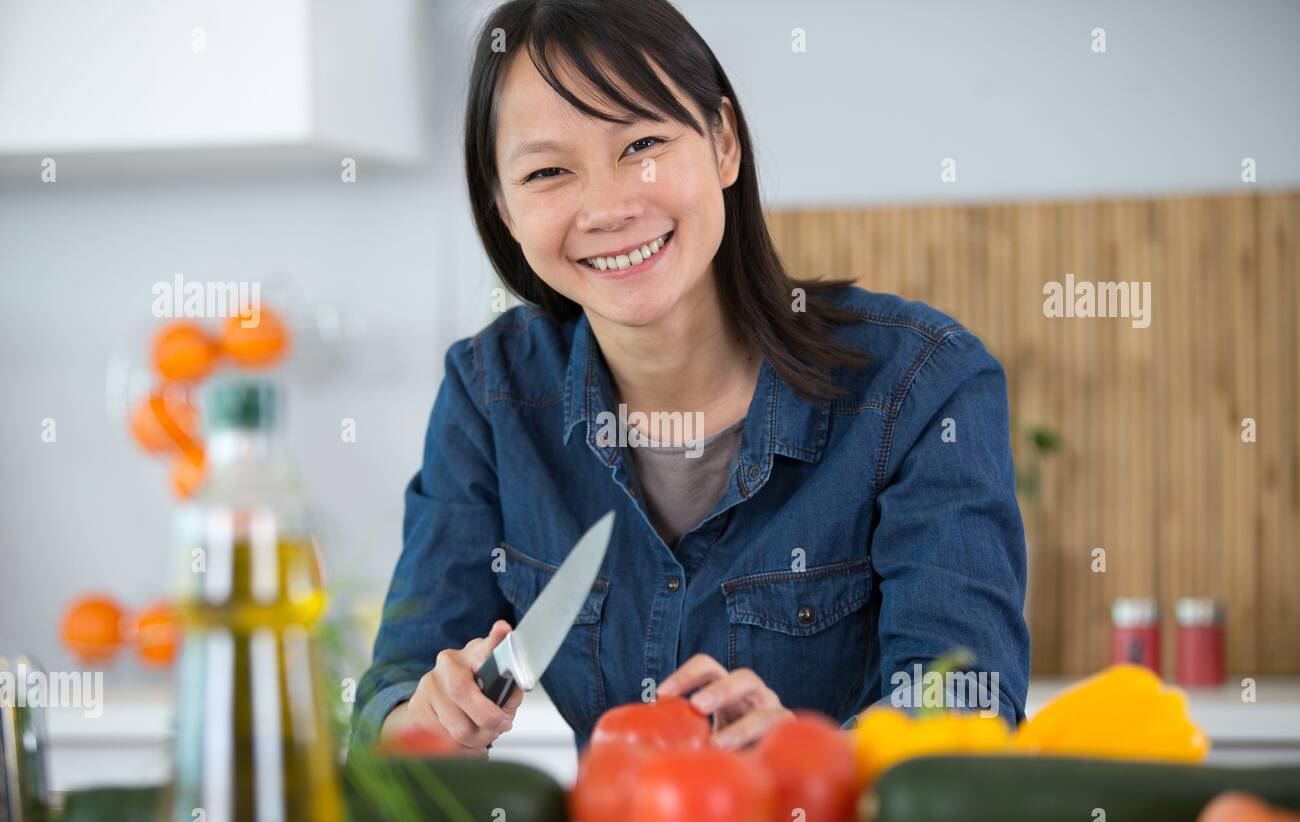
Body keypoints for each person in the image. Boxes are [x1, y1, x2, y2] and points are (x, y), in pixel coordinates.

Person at [351, 0, 1030, 757]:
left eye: (641, 143)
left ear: (724, 143)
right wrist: (424, 720)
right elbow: (394, 695)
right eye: (547, 171)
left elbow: (969, 700)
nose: (608, 207)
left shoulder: (921, 385)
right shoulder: (490, 395)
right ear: (502, 207)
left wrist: (815, 759)